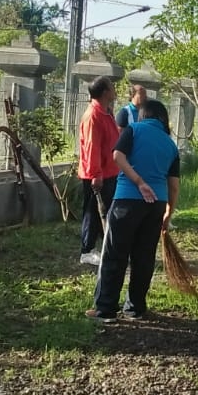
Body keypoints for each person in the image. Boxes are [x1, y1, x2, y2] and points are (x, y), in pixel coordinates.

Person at [87, 99, 180, 323]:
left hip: (127, 201)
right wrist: (168, 213)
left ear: (143, 114)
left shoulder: (133, 130)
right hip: (156, 205)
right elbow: (174, 185)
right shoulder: (170, 144)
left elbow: (117, 156)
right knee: (144, 257)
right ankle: (135, 309)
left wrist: (139, 182)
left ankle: (106, 309)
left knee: (114, 255)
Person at [78, 76, 120, 266]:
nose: (114, 90)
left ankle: (106, 247)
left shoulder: (106, 112)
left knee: (106, 212)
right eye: (112, 87)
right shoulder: (93, 115)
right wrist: (96, 174)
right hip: (97, 174)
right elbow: (91, 147)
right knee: (92, 212)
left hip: (110, 172)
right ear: (105, 92)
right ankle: (86, 250)